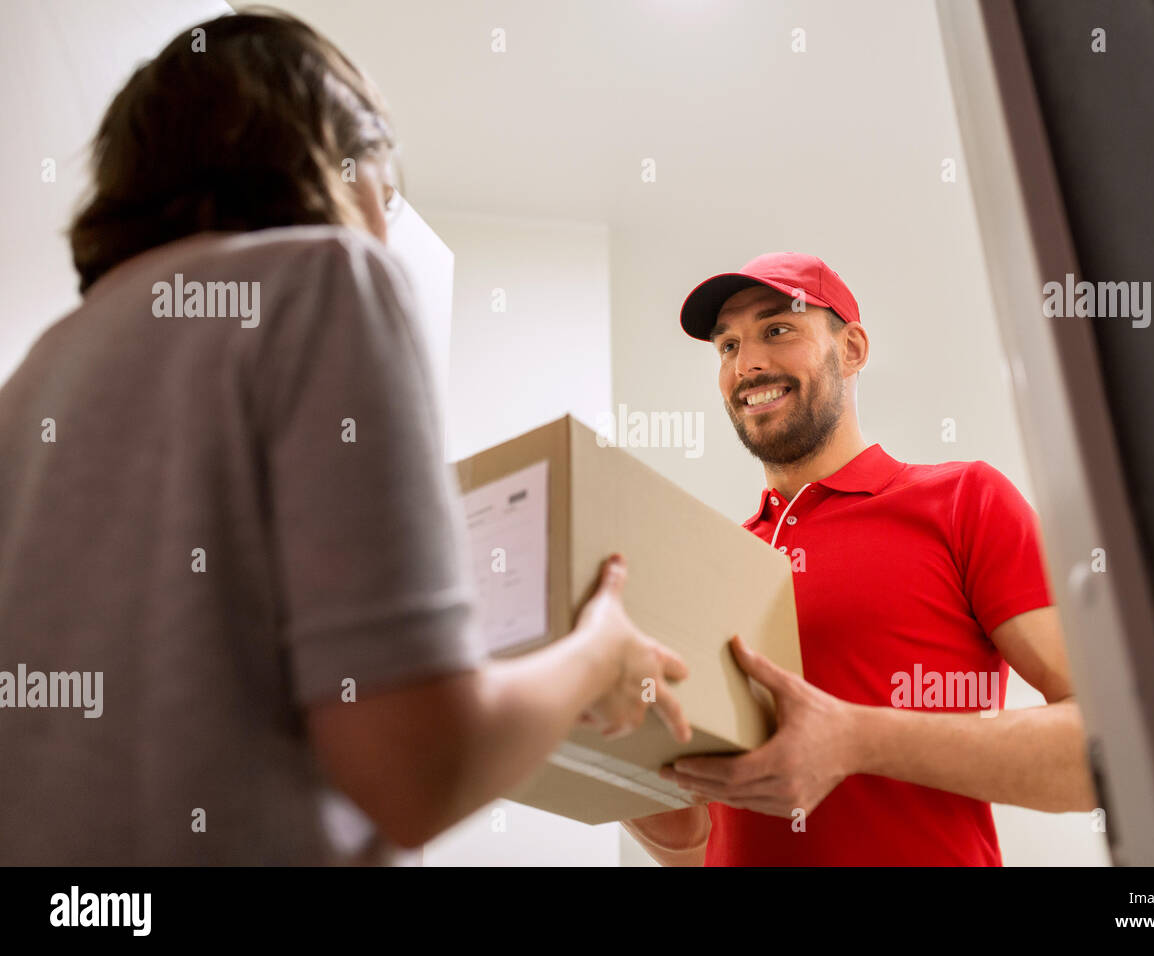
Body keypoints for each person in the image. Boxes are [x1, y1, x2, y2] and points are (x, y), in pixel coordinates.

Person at [0, 10, 688, 866]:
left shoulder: (37, 373)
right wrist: (597, 657)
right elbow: (418, 770)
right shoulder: (328, 279)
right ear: (338, 157)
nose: (384, 224)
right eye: (387, 193)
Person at [621, 252, 1096, 866]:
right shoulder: (715, 561)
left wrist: (857, 739)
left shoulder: (963, 501)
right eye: (727, 345)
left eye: (777, 329)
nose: (749, 363)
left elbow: (1103, 746)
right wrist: (593, 734)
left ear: (851, 349)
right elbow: (693, 841)